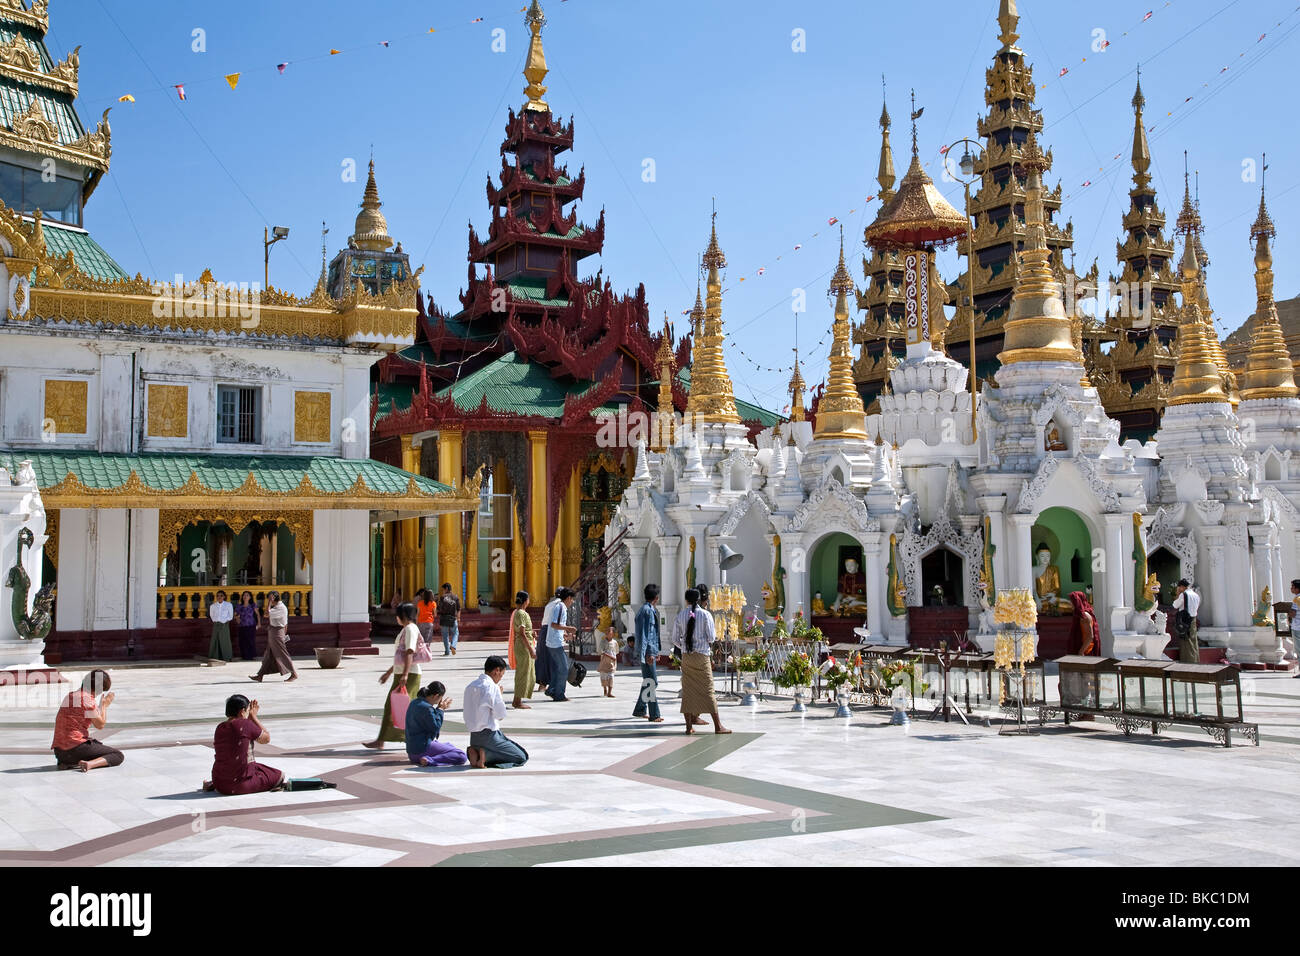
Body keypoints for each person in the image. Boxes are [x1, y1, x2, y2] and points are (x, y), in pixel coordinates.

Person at [364, 602, 424, 750]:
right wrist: (389, 672)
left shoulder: (410, 629)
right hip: (403, 673)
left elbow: (409, 652)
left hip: (410, 674)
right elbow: (401, 656)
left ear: (402, 616)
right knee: (394, 706)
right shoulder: (406, 629)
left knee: (403, 707)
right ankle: (384, 739)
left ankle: (404, 738)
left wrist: (404, 675)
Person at [672, 587, 730, 735]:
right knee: (708, 689)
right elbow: (711, 637)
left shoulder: (681, 615)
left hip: (687, 657)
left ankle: (688, 727)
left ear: (686, 600)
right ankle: (718, 726)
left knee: (688, 691)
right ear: (699, 600)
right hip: (702, 656)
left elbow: (674, 639)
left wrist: (684, 646)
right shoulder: (706, 615)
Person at [205, 694, 284, 794]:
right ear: (242, 712)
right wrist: (253, 717)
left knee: (259, 768)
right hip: (239, 785)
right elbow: (266, 739)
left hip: (219, 783)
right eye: (247, 711)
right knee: (278, 775)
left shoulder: (220, 727)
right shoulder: (245, 724)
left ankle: (214, 783)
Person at [51, 670, 123, 772]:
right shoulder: (86, 699)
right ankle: (89, 764)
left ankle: (67, 762)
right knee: (117, 755)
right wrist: (104, 705)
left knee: (94, 747)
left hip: (59, 753)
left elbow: (87, 715)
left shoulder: (70, 696)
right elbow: (100, 725)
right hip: (76, 749)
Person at [464, 656, 529, 768]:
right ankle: (485, 755)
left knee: (507, 748)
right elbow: (501, 715)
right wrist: (500, 695)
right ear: (496, 671)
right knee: (521, 756)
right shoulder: (492, 687)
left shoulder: (470, 686)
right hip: (489, 735)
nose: (500, 678)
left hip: (474, 736)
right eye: (501, 674)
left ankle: (476, 752)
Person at [404, 681, 468, 767]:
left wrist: (438, 709)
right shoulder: (427, 708)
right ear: (436, 696)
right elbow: (435, 727)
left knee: (448, 745)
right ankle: (430, 760)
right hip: (422, 749)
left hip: (412, 752)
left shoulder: (414, 703)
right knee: (461, 756)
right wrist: (441, 710)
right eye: (440, 698)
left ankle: (430, 757)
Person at [633, 584, 664, 722]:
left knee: (649, 682)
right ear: (656, 598)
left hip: (648, 651)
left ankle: (640, 709)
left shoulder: (645, 610)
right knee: (652, 682)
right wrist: (649, 653)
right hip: (647, 652)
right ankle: (654, 714)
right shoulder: (647, 612)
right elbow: (647, 635)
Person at [250, 591, 297, 682]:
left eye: (270, 598)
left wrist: (269, 602)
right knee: (269, 655)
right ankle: (260, 675)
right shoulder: (277, 607)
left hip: (277, 632)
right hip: (274, 631)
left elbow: (267, 613)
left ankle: (294, 673)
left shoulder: (280, 607)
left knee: (282, 653)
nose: (269, 600)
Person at [543, 587, 576, 702]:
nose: (572, 602)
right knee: (564, 668)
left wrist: (565, 634)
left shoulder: (560, 607)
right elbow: (554, 624)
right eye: (572, 599)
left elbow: (557, 626)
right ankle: (559, 694)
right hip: (554, 642)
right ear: (568, 598)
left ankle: (552, 689)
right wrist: (569, 628)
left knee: (559, 667)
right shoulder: (560, 607)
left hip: (555, 640)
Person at [510, 590, 536, 709]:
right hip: (523, 646)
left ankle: (518, 699)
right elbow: (521, 633)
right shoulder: (521, 613)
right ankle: (517, 701)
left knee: (524, 672)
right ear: (526, 601)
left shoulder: (518, 612)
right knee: (522, 673)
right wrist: (530, 649)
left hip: (523, 644)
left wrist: (532, 634)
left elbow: (524, 631)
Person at [535, 588, 563, 695]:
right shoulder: (559, 605)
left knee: (543, 657)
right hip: (551, 631)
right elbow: (555, 623)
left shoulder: (550, 604)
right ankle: (552, 685)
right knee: (553, 659)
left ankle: (542, 684)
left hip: (544, 631)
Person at [1172, 578, 1201, 663]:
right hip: (1193, 619)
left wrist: (1177, 594)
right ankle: (1195, 660)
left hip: (1185, 620)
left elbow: (1175, 605)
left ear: (1182, 587)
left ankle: (1188, 661)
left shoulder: (1183, 595)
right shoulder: (1196, 595)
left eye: (1179, 587)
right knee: (1193, 641)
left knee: (1186, 641)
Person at [1068, 590, 1100, 655]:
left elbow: (1090, 637)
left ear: (1078, 602)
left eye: (1072, 601)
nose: (1070, 603)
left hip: (1086, 652)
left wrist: (1081, 652)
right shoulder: (1080, 615)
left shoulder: (1084, 616)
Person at [208, 590, 233, 661]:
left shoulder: (228, 605)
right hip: (216, 624)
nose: (219, 597)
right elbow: (211, 615)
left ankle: (226, 657)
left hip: (224, 624)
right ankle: (215, 656)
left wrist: (224, 621)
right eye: (218, 596)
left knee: (225, 640)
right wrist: (216, 621)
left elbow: (230, 616)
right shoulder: (213, 606)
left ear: (224, 597)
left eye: (221, 595)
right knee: (215, 640)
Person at [234, 590, 260, 661]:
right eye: (244, 595)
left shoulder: (253, 605)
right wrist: (237, 618)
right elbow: (235, 615)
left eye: (247, 595)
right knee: (242, 641)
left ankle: (251, 655)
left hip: (251, 625)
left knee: (250, 640)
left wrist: (259, 623)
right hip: (242, 625)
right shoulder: (239, 606)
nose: (245, 597)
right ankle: (244, 655)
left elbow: (257, 614)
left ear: (250, 597)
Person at [437, 582, 461, 656]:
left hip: (444, 618)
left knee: (445, 635)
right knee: (455, 633)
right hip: (453, 618)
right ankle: (453, 645)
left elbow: (439, 608)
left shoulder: (442, 597)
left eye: (443, 589)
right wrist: (458, 618)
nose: (443, 591)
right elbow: (458, 609)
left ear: (446, 588)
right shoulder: (455, 597)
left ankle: (447, 651)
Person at [598, 627, 619, 698]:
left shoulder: (615, 642)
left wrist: (613, 657)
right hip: (604, 661)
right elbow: (601, 651)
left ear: (613, 634)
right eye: (606, 631)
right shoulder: (603, 642)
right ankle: (605, 689)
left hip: (612, 662)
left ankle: (610, 692)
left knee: (611, 676)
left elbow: (616, 651)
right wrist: (609, 656)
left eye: (609, 631)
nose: (607, 633)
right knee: (603, 676)